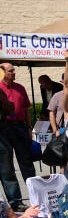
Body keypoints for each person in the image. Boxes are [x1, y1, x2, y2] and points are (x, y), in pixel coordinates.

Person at [0, 62, 36, 210]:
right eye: (10, 71)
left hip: (20, 127)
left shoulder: (20, 88)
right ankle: (16, 201)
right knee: (6, 166)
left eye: (14, 70)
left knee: (27, 163)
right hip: (2, 128)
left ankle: (36, 196)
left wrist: (28, 127)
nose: (14, 73)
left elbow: (26, 109)